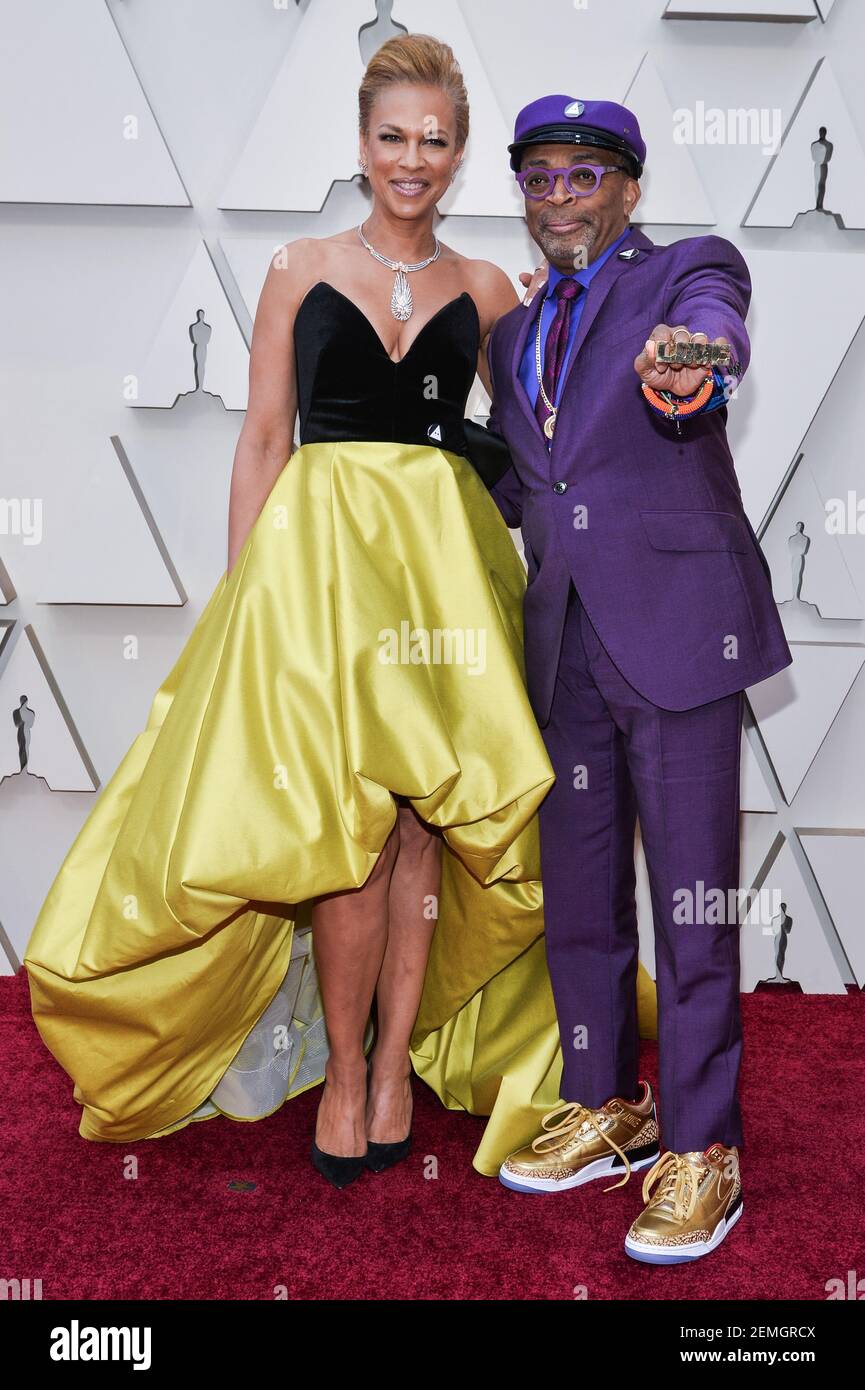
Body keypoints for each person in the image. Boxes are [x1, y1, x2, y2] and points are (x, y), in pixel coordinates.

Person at [23, 40, 658, 1191]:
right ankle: (348, 1064)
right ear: (360, 145)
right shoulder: (296, 266)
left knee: (423, 825)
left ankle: (393, 1068)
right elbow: (265, 435)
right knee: (341, 834)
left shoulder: (487, 287)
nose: (410, 160)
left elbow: (543, 439)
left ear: (459, 156)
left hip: (440, 577)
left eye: (433, 140)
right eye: (391, 136)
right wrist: (244, 599)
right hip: (316, 577)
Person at [482, 95, 792, 1261]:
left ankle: (704, 1148)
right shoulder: (509, 338)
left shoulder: (682, 276)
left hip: (678, 629)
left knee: (695, 905)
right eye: (539, 176)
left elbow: (713, 332)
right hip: (563, 641)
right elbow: (529, 486)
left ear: (628, 186)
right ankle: (608, 1105)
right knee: (582, 900)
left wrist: (695, 361)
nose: (559, 195)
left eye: (583, 174)